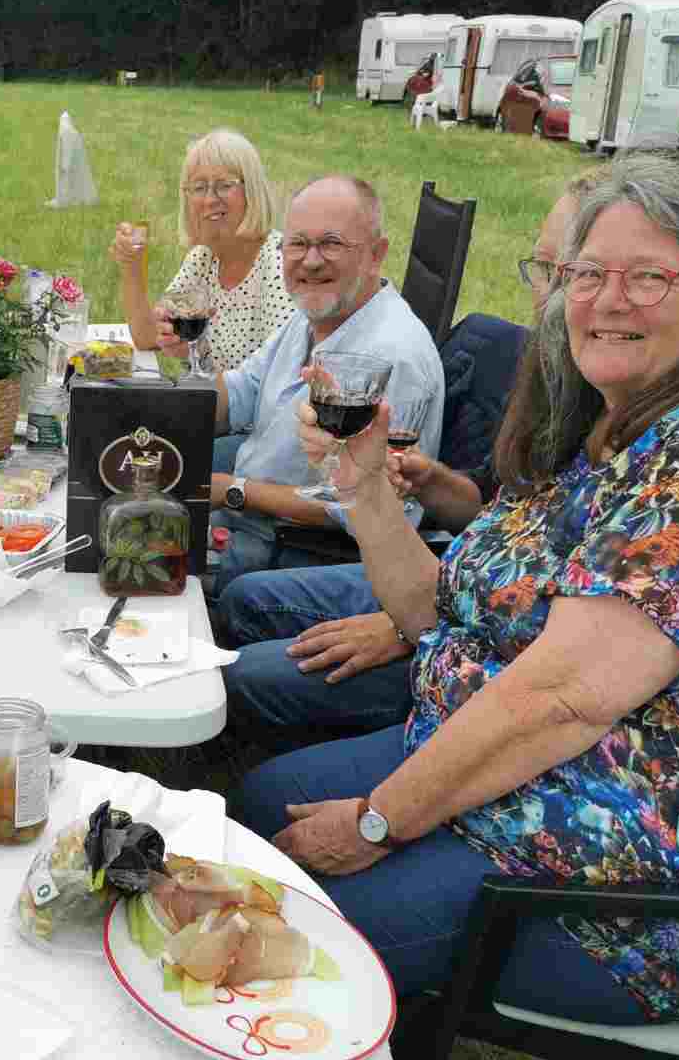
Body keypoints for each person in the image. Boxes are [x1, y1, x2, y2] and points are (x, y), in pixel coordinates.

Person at [236, 157, 679, 1060]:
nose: (603, 300)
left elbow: (565, 695)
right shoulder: (614, 430)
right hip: (561, 788)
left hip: (672, 874)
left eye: (646, 277)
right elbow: (433, 610)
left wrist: (374, 821)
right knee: (257, 805)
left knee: (284, 921)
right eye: (583, 274)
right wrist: (360, 485)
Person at [215, 173, 593, 750]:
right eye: (542, 271)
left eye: (571, 275)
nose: (545, 296)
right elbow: (492, 513)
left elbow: (554, 616)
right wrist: (437, 479)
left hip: (454, 626)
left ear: (377, 255)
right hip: (454, 590)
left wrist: (406, 625)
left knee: (233, 644)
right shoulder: (551, 390)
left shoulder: (391, 359)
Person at [187, 175, 445, 597]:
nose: (310, 261)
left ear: (376, 254)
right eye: (298, 244)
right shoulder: (317, 312)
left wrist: (233, 492)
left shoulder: (393, 356)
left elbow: (356, 509)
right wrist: (155, 403)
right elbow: (242, 392)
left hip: (293, 557)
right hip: (245, 520)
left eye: (331, 244)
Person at [110, 128, 293, 376]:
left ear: (252, 190)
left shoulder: (280, 265)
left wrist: (197, 354)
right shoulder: (203, 259)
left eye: (224, 185)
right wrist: (132, 265)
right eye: (198, 188)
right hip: (211, 405)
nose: (209, 200)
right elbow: (147, 337)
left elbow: (275, 382)